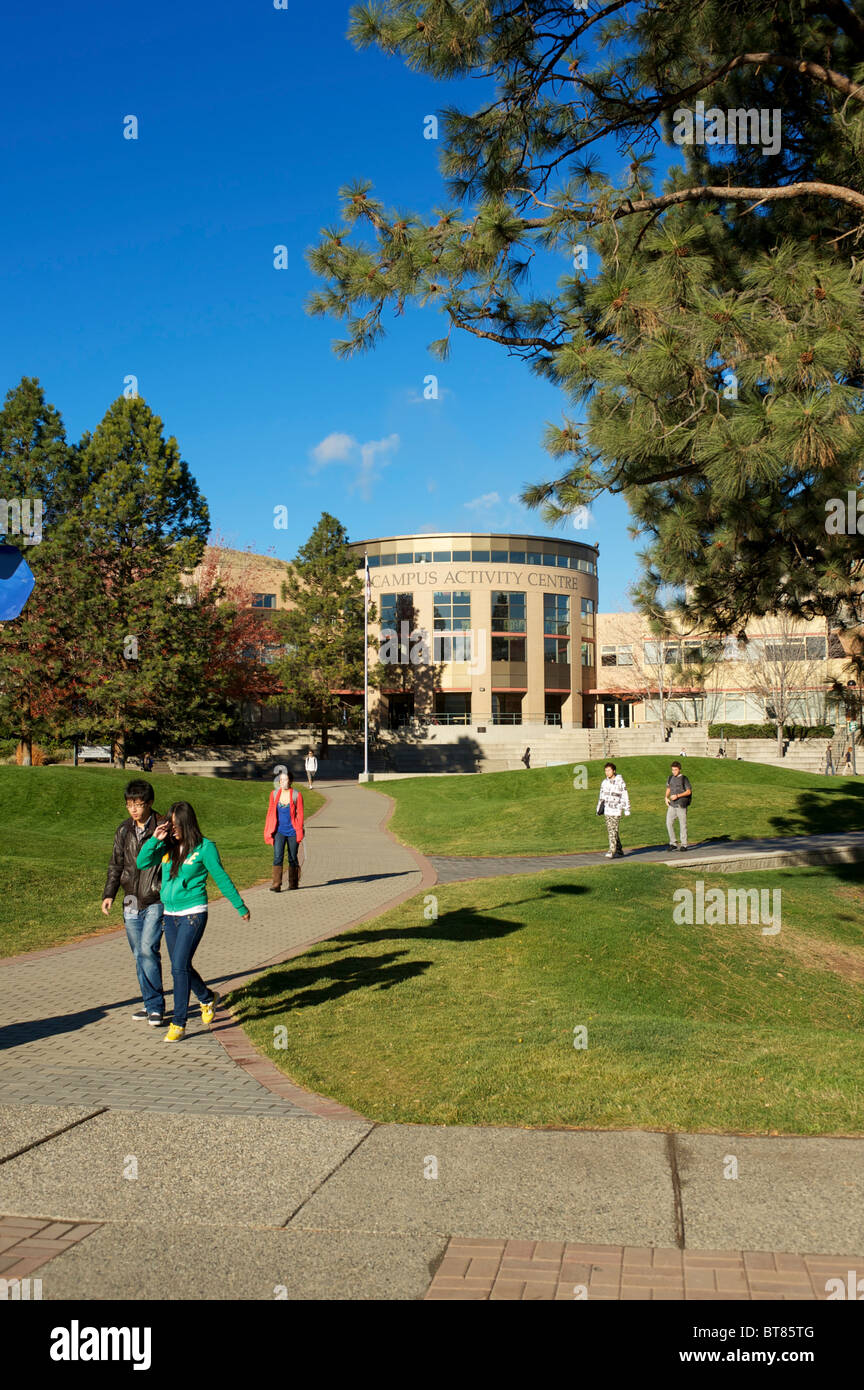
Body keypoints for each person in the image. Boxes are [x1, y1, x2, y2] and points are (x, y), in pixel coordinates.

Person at [136, 801, 250, 1043]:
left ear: (188, 823)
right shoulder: (166, 847)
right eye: (170, 824)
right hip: (171, 914)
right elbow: (142, 862)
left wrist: (239, 905)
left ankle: (179, 1024)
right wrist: (155, 839)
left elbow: (221, 877)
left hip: (193, 913)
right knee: (182, 965)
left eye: (177, 825)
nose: (173, 829)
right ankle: (207, 998)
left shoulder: (205, 848)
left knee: (178, 967)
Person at [101, 780, 168, 1026]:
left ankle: (157, 1007)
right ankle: (150, 1003)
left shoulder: (163, 826)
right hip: (130, 898)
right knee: (138, 953)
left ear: (149, 803)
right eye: (130, 805)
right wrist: (109, 894)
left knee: (148, 950)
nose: (134, 810)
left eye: (138, 805)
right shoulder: (123, 830)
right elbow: (116, 864)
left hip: (155, 897)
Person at [264, 769, 305, 891]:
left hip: (292, 831)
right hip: (279, 831)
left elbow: (300, 814)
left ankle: (293, 883)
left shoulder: (296, 795)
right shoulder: (274, 794)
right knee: (277, 856)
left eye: (285, 779)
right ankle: (276, 884)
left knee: (292, 857)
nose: (283, 782)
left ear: (290, 781)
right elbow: (270, 812)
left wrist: (299, 830)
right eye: (281, 780)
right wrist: (269, 828)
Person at [597, 762, 630, 858]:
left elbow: (625, 795)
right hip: (607, 809)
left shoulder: (620, 782)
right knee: (612, 830)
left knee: (612, 830)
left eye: (609, 770)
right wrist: (599, 808)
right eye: (605, 771)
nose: (607, 772)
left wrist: (627, 808)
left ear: (614, 771)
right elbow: (601, 796)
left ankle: (612, 850)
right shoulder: (604, 783)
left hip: (616, 809)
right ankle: (619, 850)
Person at [665, 760, 692, 851]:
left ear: (679, 769)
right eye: (672, 770)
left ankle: (684, 845)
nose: (674, 772)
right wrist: (666, 797)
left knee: (682, 825)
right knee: (668, 823)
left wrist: (677, 796)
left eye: (675, 770)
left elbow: (689, 791)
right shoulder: (670, 778)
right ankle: (673, 843)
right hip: (672, 805)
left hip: (681, 804)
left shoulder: (684, 778)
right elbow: (668, 788)